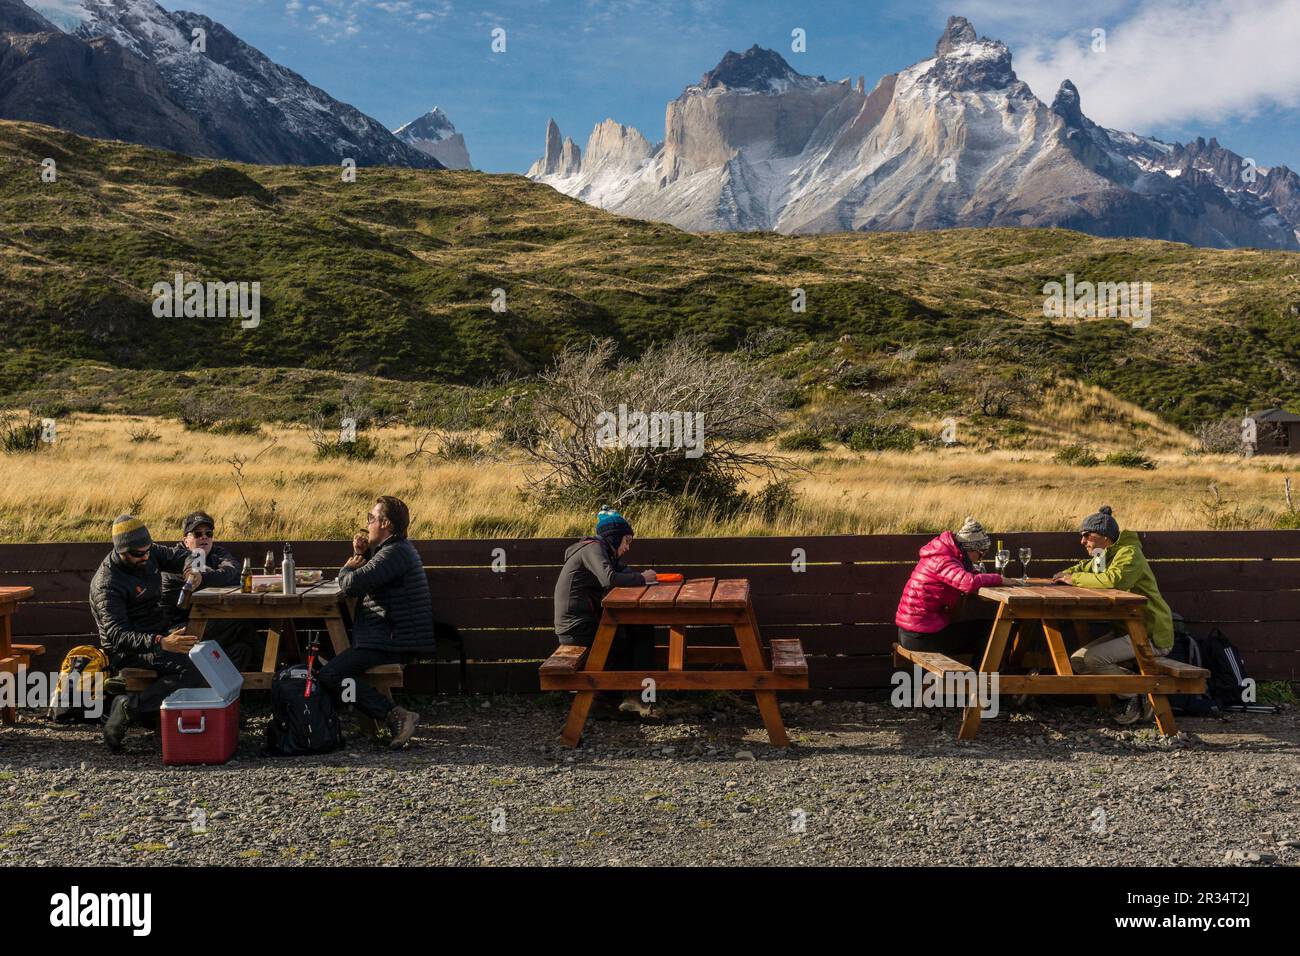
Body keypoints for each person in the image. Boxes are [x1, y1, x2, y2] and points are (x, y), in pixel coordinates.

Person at [90, 515, 227, 752]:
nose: (145, 558)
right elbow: (117, 635)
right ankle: (131, 708)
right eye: (137, 555)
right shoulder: (107, 583)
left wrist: (191, 573)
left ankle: (212, 716)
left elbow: (189, 555)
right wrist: (162, 643)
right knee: (194, 665)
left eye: (147, 551)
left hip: (159, 631)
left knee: (209, 647)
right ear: (120, 550)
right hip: (128, 649)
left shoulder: (149, 552)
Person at [318, 495, 426, 749]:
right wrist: (361, 554)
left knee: (330, 674)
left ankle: (394, 714)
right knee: (328, 661)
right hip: (390, 635)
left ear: (385, 523)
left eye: (371, 518)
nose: (367, 524)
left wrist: (347, 567)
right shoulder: (395, 550)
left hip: (390, 640)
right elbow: (373, 573)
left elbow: (351, 584)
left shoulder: (394, 554)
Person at [1053, 505, 1174, 725]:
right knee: (1078, 661)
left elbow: (1114, 580)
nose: (1082, 541)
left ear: (1104, 537)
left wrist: (1074, 579)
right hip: (1127, 631)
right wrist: (1066, 574)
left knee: (1093, 659)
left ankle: (1139, 695)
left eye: (1086, 535)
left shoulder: (1129, 554)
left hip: (1151, 633)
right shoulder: (1105, 554)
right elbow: (1087, 567)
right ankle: (1135, 694)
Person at [553, 507, 659, 719]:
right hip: (578, 629)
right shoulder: (592, 549)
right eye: (626, 541)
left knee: (637, 633)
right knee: (628, 641)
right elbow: (609, 578)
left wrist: (633, 574)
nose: (628, 547)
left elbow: (620, 571)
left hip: (583, 623)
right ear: (615, 538)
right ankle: (618, 703)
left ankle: (631, 701)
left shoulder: (598, 550)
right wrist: (643, 578)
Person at [895, 517, 1009, 663]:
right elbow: (968, 583)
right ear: (970, 548)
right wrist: (1000, 579)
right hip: (920, 637)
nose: (980, 559)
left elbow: (961, 576)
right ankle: (978, 683)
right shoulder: (943, 559)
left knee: (991, 630)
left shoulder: (943, 554)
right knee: (993, 633)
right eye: (981, 553)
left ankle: (978, 680)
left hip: (917, 631)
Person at [161, 510, 258, 670]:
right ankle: (277, 677)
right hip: (177, 630)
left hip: (205, 619)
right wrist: (206, 578)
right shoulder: (175, 559)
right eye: (197, 534)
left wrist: (204, 577)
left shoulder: (216, 552)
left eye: (209, 533)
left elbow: (234, 571)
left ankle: (261, 686)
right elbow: (195, 583)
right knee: (240, 623)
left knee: (241, 650)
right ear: (186, 540)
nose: (204, 537)